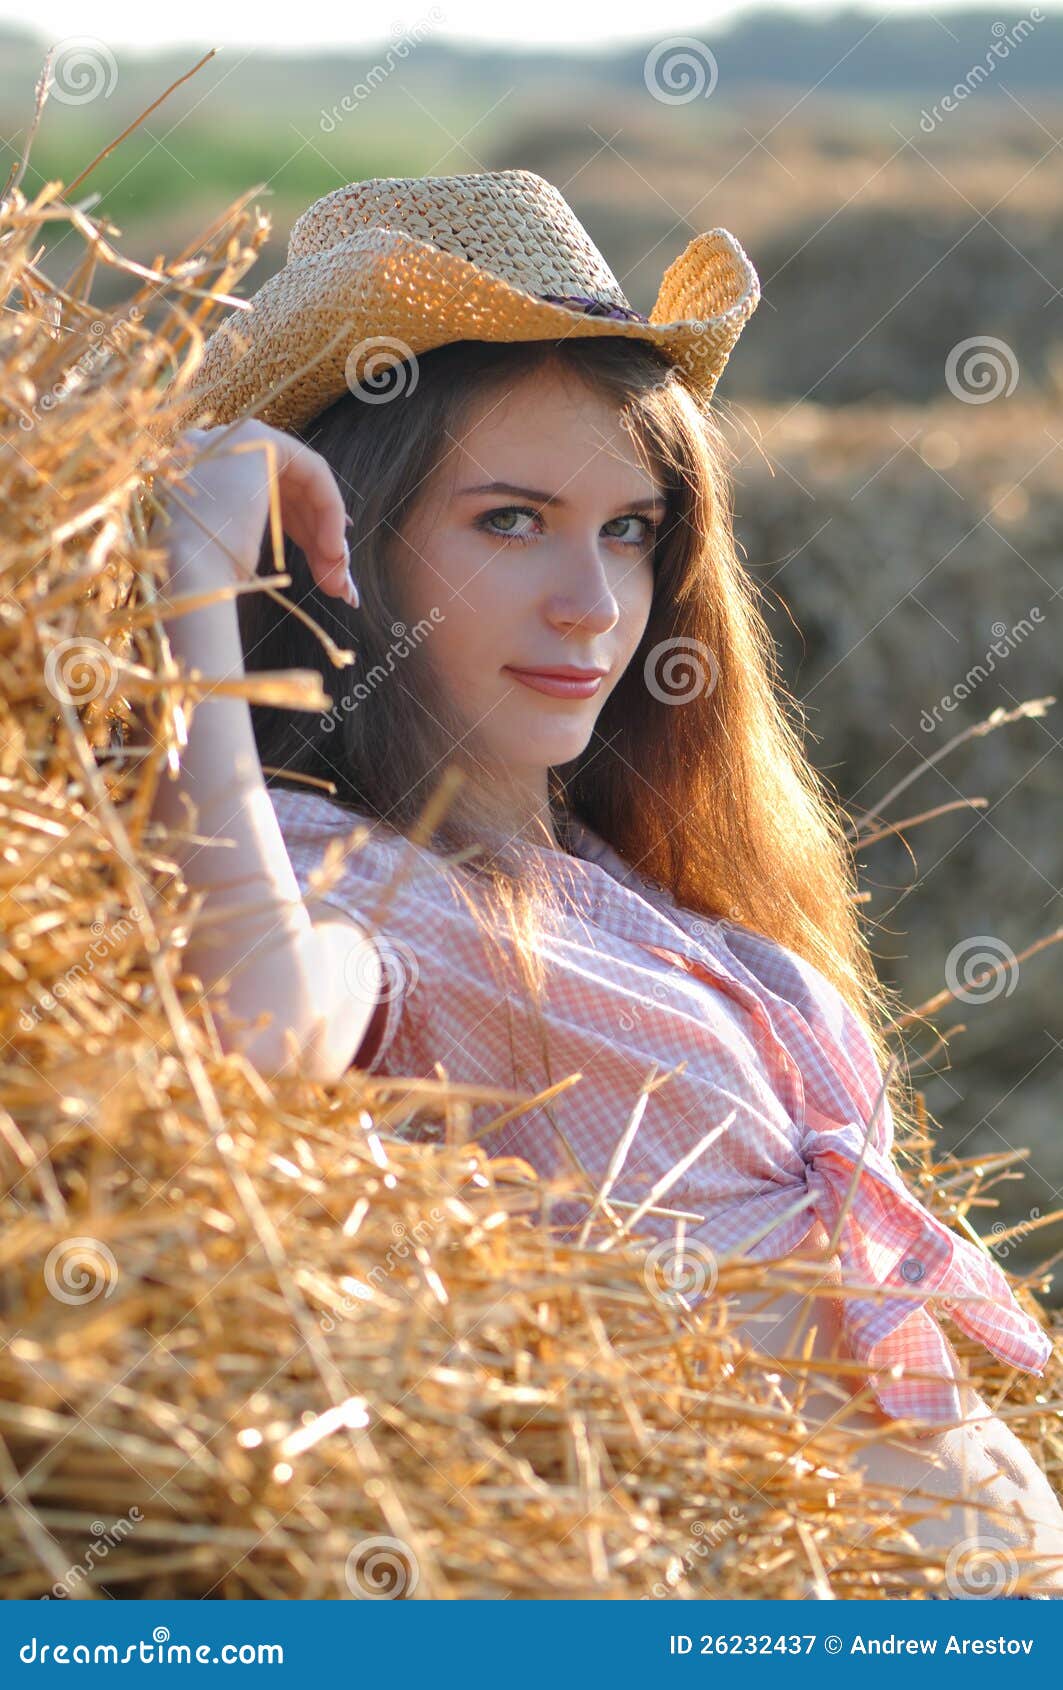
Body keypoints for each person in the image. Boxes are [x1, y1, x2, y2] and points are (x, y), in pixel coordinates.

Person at [149, 171, 1063, 1596]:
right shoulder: (354, 875)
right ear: (342, 542)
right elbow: (245, 1036)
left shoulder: (619, 877)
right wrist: (194, 597)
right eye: (512, 519)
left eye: (631, 527)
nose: (594, 601)